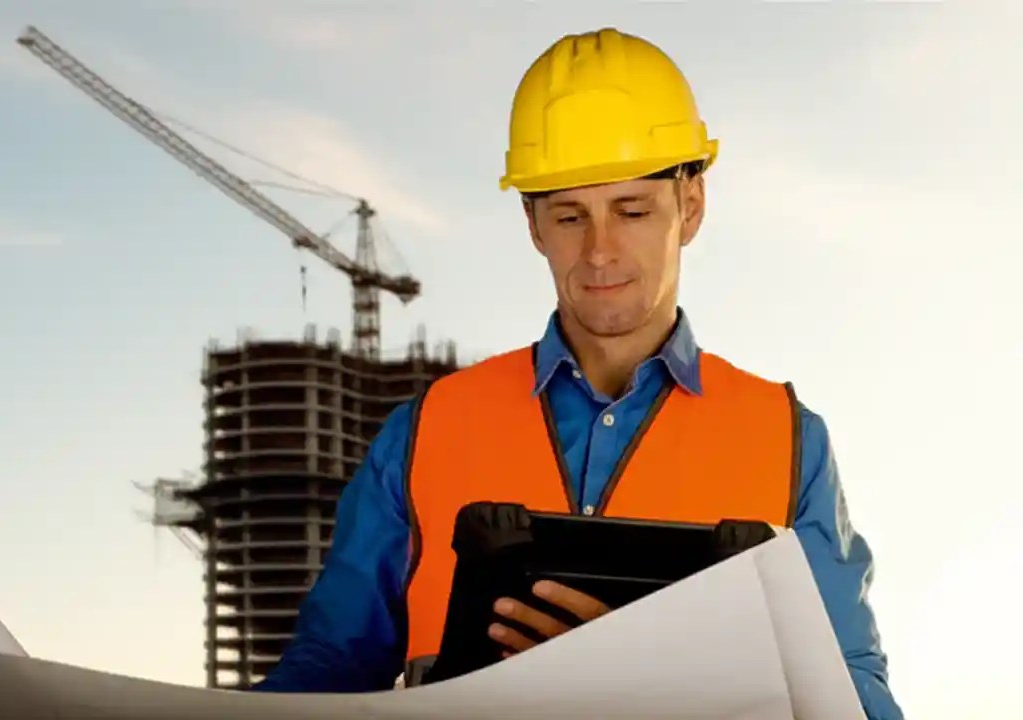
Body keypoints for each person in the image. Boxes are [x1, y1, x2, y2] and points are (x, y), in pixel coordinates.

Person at [251, 27, 904, 719]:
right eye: (569, 216)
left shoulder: (786, 439)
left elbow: (851, 693)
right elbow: (323, 673)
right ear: (533, 224)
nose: (599, 251)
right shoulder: (427, 432)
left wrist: (653, 685)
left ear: (690, 206)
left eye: (631, 210)